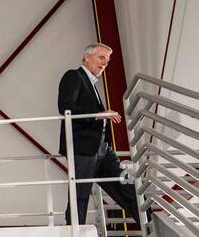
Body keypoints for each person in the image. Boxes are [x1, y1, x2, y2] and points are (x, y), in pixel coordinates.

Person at [56, 43, 138, 225]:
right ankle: (74, 233)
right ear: (87, 57)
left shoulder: (92, 84)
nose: (105, 64)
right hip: (83, 147)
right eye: (102, 58)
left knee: (124, 186)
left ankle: (147, 222)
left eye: (107, 61)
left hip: (101, 147)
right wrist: (97, 115)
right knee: (81, 193)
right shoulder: (74, 76)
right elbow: (66, 107)